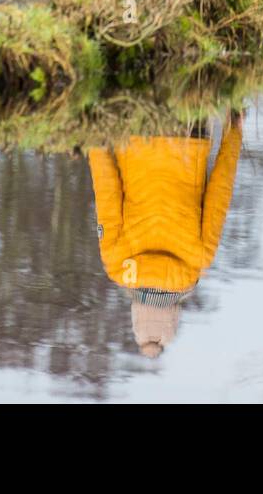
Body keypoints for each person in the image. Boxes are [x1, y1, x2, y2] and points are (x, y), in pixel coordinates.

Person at [88, 115, 243, 359]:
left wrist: (233, 131)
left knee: (194, 81)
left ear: (174, 313)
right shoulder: (115, 261)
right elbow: (106, 188)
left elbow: (220, 193)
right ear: (135, 311)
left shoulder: (198, 262)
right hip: (136, 135)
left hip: (190, 137)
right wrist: (94, 135)